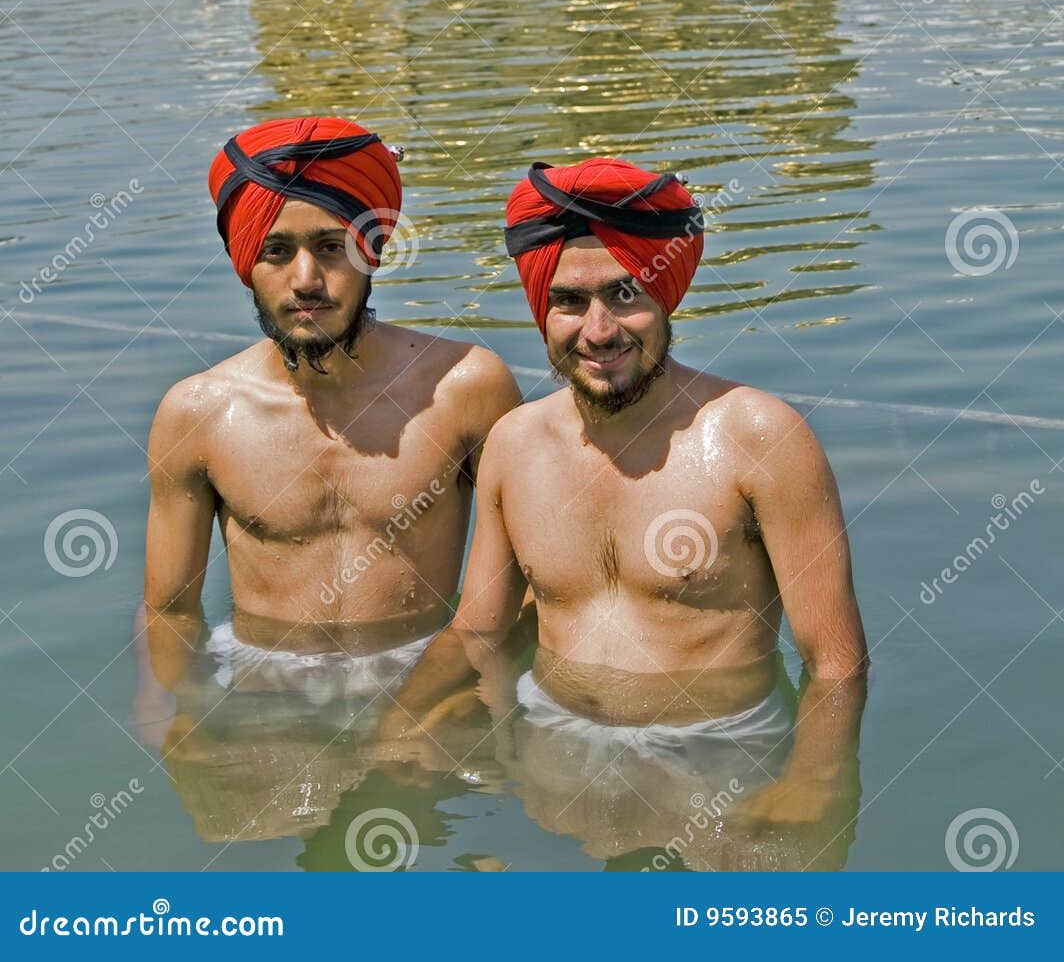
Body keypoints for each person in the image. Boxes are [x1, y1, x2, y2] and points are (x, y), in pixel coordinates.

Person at [400, 157, 868, 828]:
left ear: (665, 296)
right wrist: (399, 723)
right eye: (569, 301)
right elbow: (479, 628)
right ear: (542, 307)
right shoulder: (514, 443)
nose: (598, 330)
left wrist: (816, 784)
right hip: (553, 757)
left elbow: (835, 664)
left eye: (625, 295)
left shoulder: (759, 436)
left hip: (720, 761)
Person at [139, 116, 521, 740]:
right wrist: (176, 705)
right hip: (266, 689)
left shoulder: (466, 388)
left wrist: (487, 691)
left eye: (330, 246)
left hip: (429, 679)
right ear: (247, 263)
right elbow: (169, 610)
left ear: (370, 251)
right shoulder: (198, 414)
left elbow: (529, 578)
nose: (306, 280)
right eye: (278, 251)